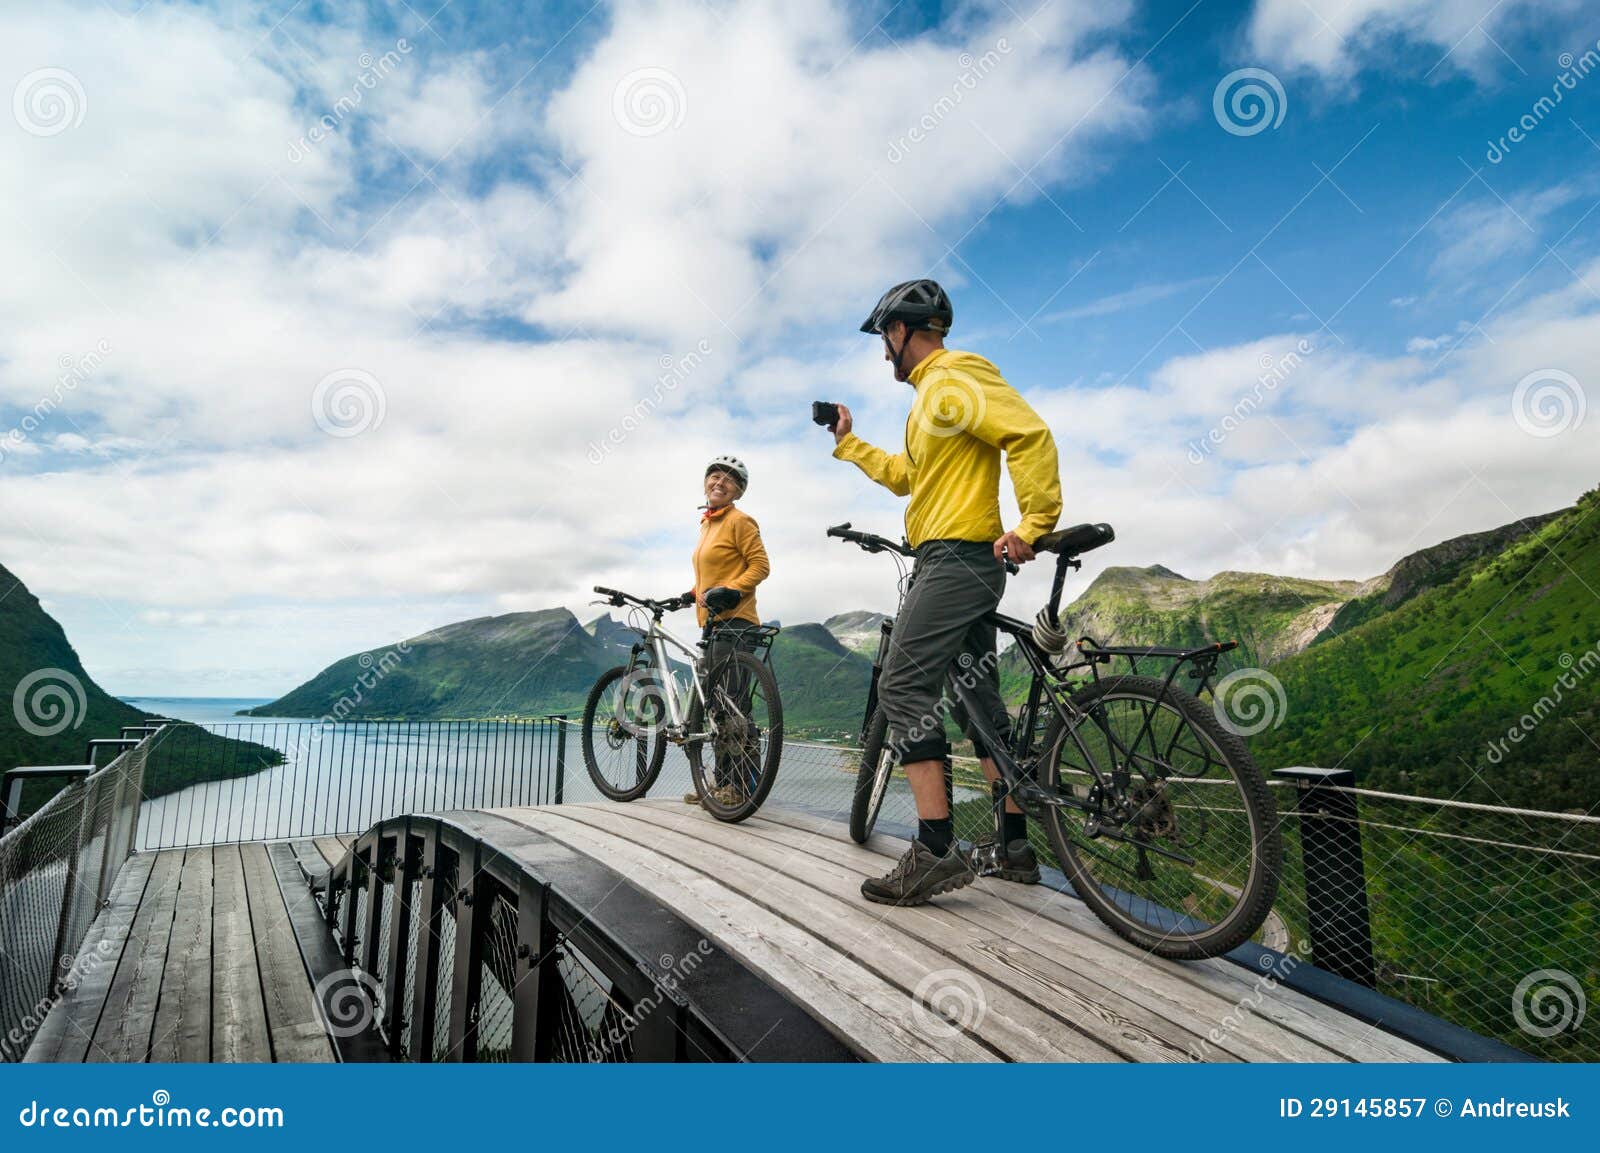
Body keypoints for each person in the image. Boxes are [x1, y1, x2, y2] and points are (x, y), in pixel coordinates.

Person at [826, 279, 1062, 905]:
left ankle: (933, 850)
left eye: (885, 338)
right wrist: (849, 444)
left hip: (956, 559)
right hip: (950, 556)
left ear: (904, 329)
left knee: (902, 685)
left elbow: (1028, 434)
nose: (883, 353)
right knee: (977, 701)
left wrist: (1035, 523)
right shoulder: (931, 399)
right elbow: (910, 478)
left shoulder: (955, 377)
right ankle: (1015, 847)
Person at [682, 454, 771, 807]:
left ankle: (740, 788)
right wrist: (691, 594)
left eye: (728, 480)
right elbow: (710, 575)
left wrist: (733, 589)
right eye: (714, 476)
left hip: (736, 624)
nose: (719, 482)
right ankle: (722, 785)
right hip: (713, 624)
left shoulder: (740, 521)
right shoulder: (707, 525)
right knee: (719, 710)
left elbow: (761, 566)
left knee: (734, 709)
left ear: (738, 491)